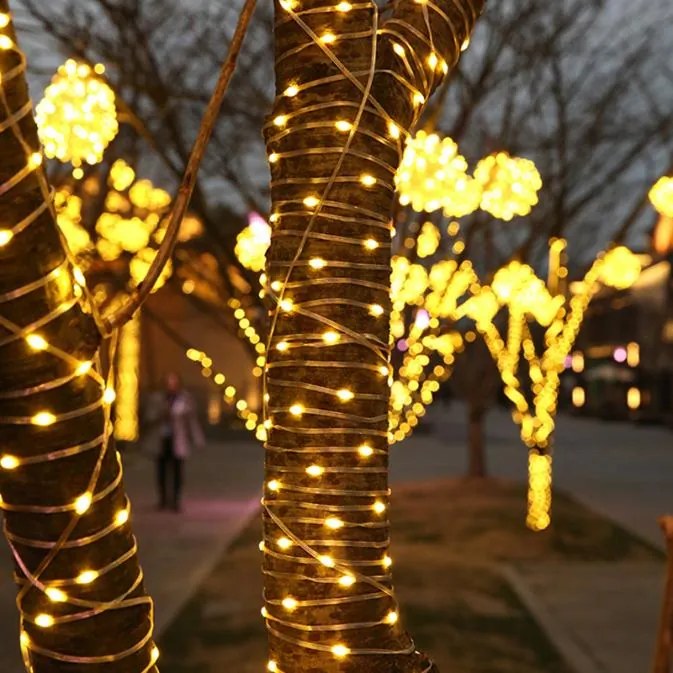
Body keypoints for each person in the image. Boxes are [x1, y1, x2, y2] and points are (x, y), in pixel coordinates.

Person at [154, 372, 204, 512]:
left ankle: (176, 500)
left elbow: (191, 421)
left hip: (178, 440)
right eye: (168, 383)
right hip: (163, 439)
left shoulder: (185, 399)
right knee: (161, 470)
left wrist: (197, 439)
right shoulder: (159, 399)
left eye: (173, 383)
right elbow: (150, 416)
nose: (171, 386)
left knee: (177, 471)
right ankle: (163, 499)